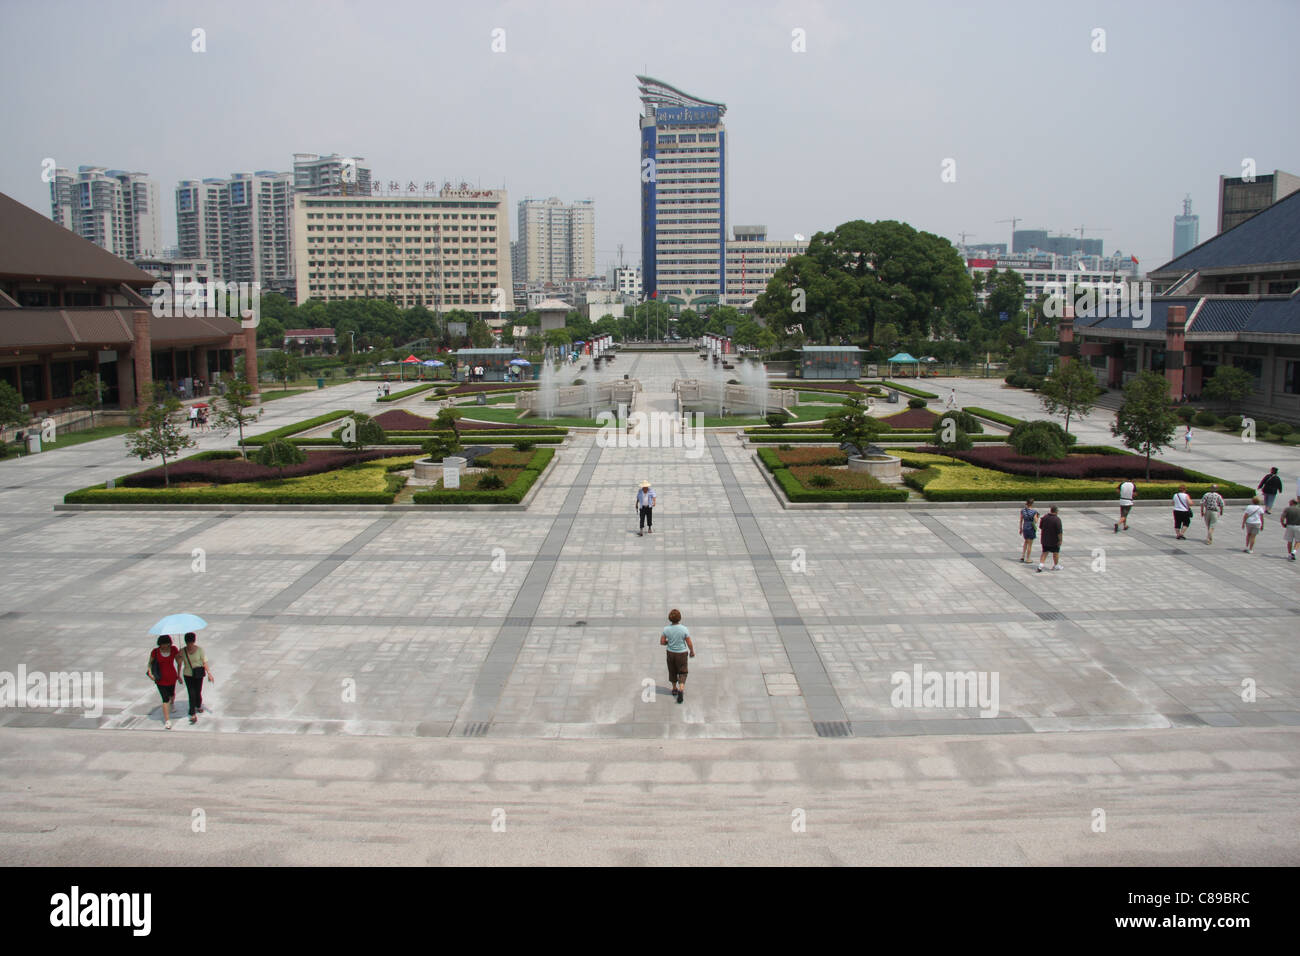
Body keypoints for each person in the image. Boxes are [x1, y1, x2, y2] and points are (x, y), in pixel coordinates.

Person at [146, 635, 182, 729]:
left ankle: (172, 703)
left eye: (167, 644)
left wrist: (179, 659)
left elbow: (178, 662)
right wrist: (150, 673)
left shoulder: (174, 649)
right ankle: (167, 720)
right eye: (163, 644)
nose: (165, 646)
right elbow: (150, 663)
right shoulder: (155, 652)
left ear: (170, 643)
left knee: (172, 694)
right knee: (165, 699)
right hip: (160, 679)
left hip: (171, 677)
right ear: (160, 644)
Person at [659, 608, 694, 704]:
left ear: (670, 618)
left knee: (672, 670)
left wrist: (669, 642)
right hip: (682, 653)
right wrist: (692, 651)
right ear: (679, 618)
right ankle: (681, 689)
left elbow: (662, 642)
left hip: (671, 653)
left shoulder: (666, 629)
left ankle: (674, 689)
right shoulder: (684, 629)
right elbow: (689, 642)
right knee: (683, 671)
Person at [179, 632, 214, 724]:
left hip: (198, 674)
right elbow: (178, 661)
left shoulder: (199, 650)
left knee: (198, 691)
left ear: (194, 641)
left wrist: (209, 673)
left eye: (190, 642)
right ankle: (192, 713)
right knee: (191, 693)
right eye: (187, 642)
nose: (189, 644)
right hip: (188, 675)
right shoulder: (182, 651)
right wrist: (178, 673)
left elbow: (204, 662)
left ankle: (198, 704)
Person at [1036, 506, 1063, 572]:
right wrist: (1060, 540)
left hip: (1045, 539)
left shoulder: (1044, 517)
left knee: (1044, 552)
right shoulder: (1057, 519)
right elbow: (1059, 532)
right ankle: (1056, 565)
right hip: (1054, 540)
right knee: (1056, 553)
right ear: (1056, 511)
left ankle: (1040, 566)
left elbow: (1041, 527)